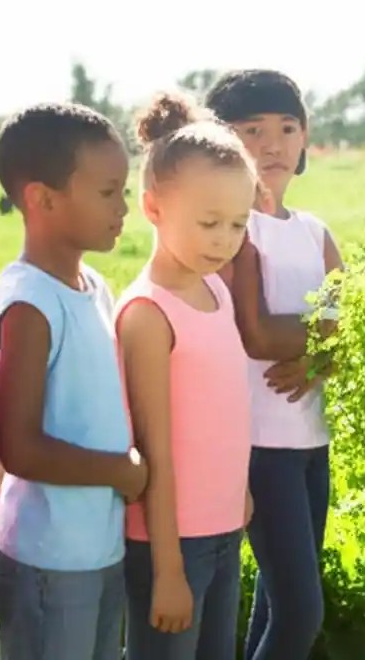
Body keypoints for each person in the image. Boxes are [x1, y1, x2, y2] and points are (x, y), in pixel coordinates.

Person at [0, 102, 147, 660]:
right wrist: (118, 471)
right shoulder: (29, 304)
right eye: (107, 192)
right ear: (42, 199)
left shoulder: (94, 286)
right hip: (48, 558)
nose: (123, 208)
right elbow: (18, 446)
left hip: (97, 548)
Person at [204, 69, 343, 660]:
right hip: (260, 445)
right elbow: (254, 333)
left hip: (313, 441)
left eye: (287, 128)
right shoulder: (235, 231)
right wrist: (324, 340)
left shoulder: (315, 232)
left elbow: (353, 323)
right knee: (300, 612)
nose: (272, 144)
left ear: (305, 137)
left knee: (277, 603)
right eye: (252, 130)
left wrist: (323, 354)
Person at [116, 90, 254, 660]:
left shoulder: (217, 290)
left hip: (223, 530)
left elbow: (224, 409)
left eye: (238, 224)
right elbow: (155, 451)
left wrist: (239, 494)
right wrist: (168, 570)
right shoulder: (148, 314)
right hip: (170, 545)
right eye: (208, 223)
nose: (224, 240)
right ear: (153, 209)